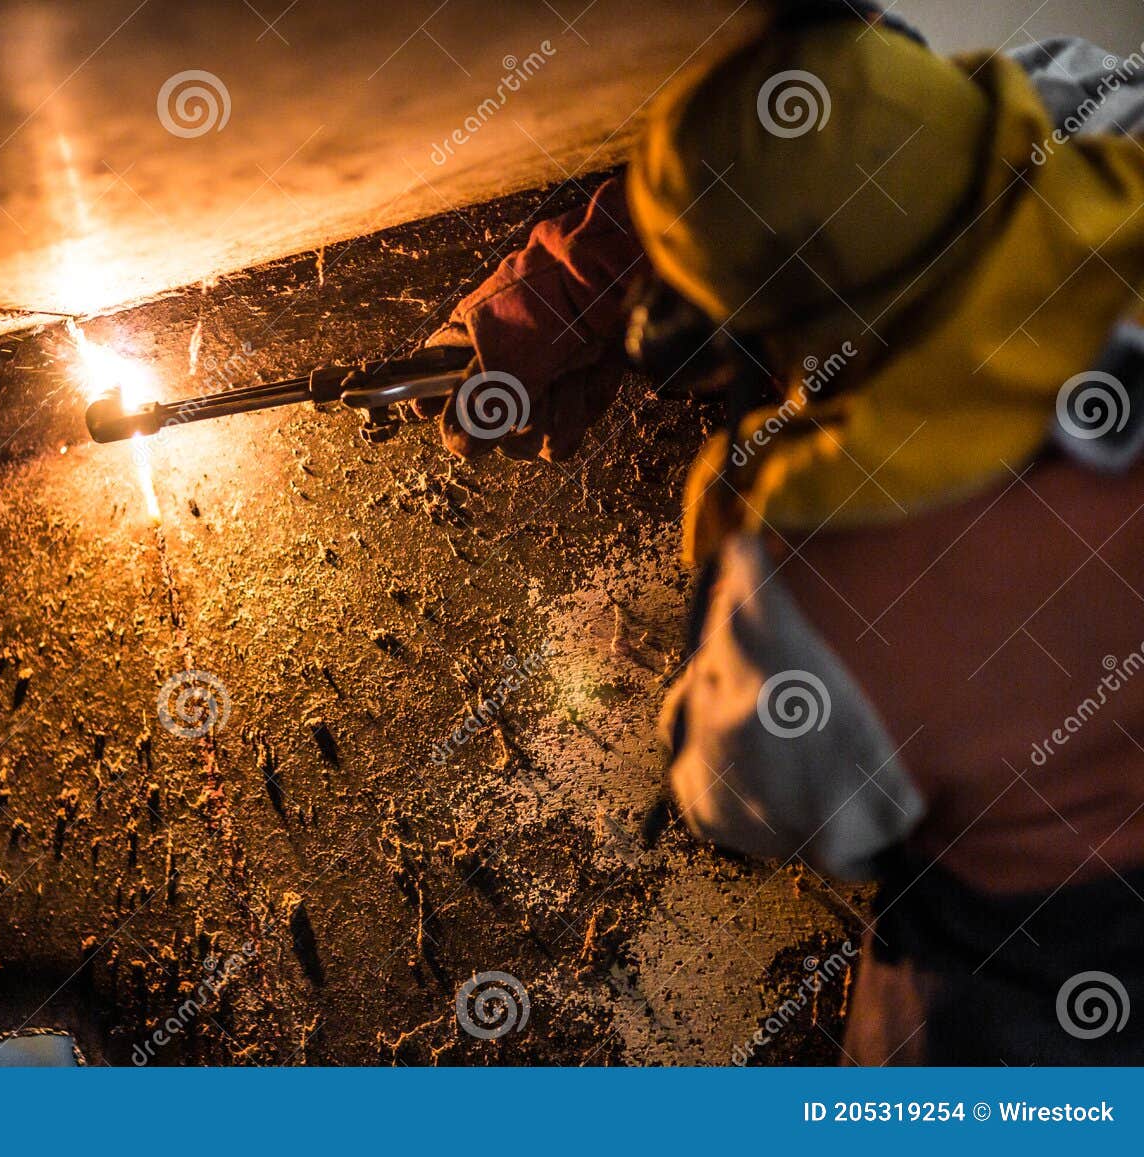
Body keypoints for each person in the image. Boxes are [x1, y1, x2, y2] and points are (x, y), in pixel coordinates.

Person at [423, 2, 1144, 1063]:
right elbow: (870, 132)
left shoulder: (829, 593)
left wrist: (731, 545)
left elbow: (744, 801)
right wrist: (581, 276)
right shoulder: (1104, 120)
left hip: (1051, 979)